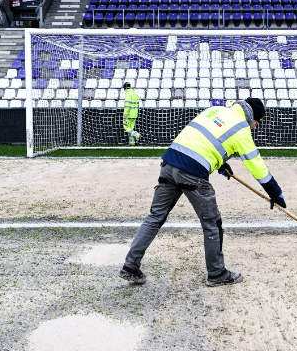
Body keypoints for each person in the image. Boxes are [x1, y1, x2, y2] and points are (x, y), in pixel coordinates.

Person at [119, 98, 285, 287]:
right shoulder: (241, 128)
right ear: (252, 116)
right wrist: (275, 193)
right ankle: (217, 273)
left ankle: (130, 266)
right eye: (257, 123)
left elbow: (203, 139)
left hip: (169, 163)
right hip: (192, 172)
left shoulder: (216, 110)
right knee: (212, 223)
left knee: (155, 217)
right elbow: (256, 165)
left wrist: (220, 162)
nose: (255, 127)